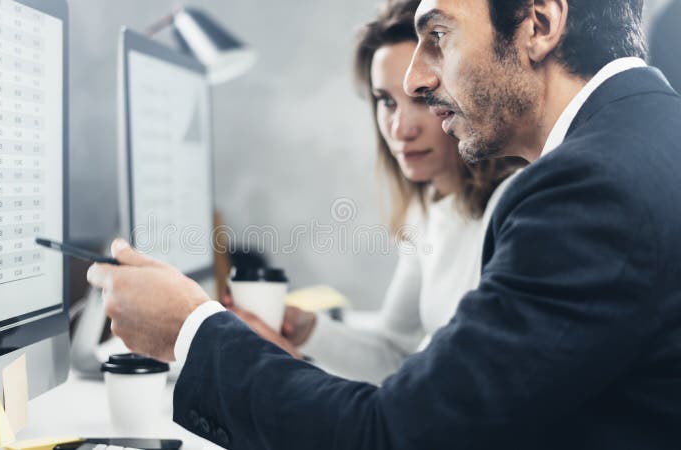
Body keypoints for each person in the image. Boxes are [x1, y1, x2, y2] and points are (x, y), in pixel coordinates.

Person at [88, 0, 681, 448]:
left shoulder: (586, 190)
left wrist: (190, 329)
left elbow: (393, 436)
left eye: (439, 36)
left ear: (538, 24)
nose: (417, 81)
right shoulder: (649, 137)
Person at [225, 0, 523, 385]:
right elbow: (393, 354)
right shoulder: (426, 214)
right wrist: (303, 327)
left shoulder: (512, 204)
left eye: (419, 99)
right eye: (386, 101)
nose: (400, 128)